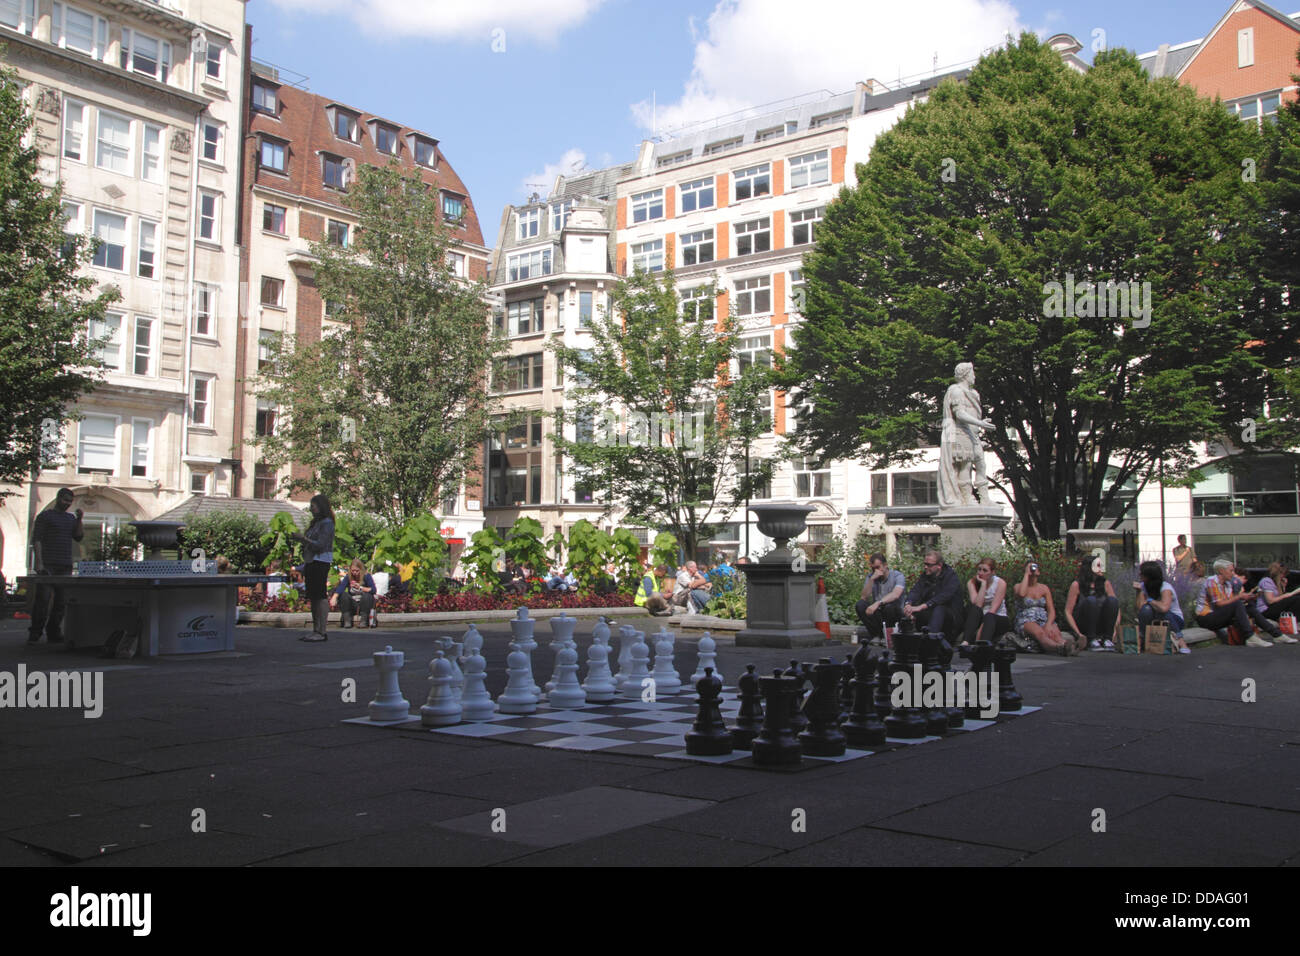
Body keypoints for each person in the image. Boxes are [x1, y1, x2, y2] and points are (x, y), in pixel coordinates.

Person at [27, 487, 84, 645]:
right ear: (58, 498)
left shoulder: (70, 518)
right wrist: (39, 562)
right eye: (65, 500)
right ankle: (35, 632)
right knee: (42, 600)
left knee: (61, 601)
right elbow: (37, 539)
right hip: (48, 563)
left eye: (70, 501)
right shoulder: (45, 516)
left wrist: (79, 519)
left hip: (65, 564)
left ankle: (53, 631)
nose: (67, 503)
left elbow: (78, 537)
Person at [1195, 558, 1275, 647]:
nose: (1233, 573)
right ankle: (1250, 636)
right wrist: (1239, 597)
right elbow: (1219, 604)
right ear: (1221, 571)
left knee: (1249, 608)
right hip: (1206, 617)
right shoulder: (1212, 581)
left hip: (1219, 614)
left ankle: (1276, 634)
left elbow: (1230, 602)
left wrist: (1247, 598)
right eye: (1231, 571)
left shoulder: (1228, 584)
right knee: (1238, 603)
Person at [290, 494, 335, 642]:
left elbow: (321, 544)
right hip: (311, 560)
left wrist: (303, 539)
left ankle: (321, 630)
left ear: (320, 506)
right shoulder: (316, 523)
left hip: (320, 560)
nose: (311, 509)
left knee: (320, 595)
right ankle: (316, 629)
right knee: (313, 596)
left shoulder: (327, 523)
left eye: (313, 506)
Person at [902, 550, 964, 643]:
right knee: (906, 610)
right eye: (924, 564)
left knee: (939, 608)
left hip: (951, 617)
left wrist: (921, 606)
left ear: (939, 565)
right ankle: (906, 641)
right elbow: (915, 591)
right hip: (931, 613)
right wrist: (908, 604)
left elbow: (943, 597)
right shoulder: (926, 576)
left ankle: (930, 642)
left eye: (929, 565)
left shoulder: (951, 576)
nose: (925, 567)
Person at [1013, 559, 1073, 655]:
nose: (1033, 569)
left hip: (1043, 618)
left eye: (1035, 567)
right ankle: (1059, 648)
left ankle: (1067, 646)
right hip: (1026, 619)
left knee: (1055, 633)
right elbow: (1021, 594)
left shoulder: (1044, 588)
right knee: (1040, 633)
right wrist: (1026, 574)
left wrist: (1049, 624)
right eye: (1030, 567)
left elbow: (1051, 610)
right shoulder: (1018, 586)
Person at [1063, 555, 1119, 651]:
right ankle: (1091, 639)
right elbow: (1068, 612)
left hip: (1101, 622)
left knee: (1112, 601)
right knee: (1091, 600)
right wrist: (1078, 633)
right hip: (1084, 623)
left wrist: (1114, 630)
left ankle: (1107, 639)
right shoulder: (1076, 585)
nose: (1101, 567)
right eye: (1098, 565)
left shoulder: (1105, 583)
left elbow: (1117, 610)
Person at [1134, 560, 1189, 654]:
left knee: (1162, 612)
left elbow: (1164, 608)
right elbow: (1140, 608)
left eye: (1142, 573)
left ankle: (1181, 641)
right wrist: (1139, 592)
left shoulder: (1165, 587)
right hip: (1155, 618)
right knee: (1146, 610)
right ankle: (1142, 639)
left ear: (1149, 575)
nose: (1139, 574)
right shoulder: (1143, 586)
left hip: (1174, 620)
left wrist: (1150, 600)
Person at [962, 557, 1011, 645]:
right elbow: (978, 605)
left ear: (992, 572)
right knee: (974, 609)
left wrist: (980, 630)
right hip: (980, 616)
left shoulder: (1000, 583)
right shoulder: (971, 582)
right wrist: (983, 585)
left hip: (997, 617)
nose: (981, 573)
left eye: (985, 571)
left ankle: (983, 644)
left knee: (989, 616)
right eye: (979, 569)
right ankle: (966, 641)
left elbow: (993, 610)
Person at [856, 552, 905, 641]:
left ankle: (889, 637)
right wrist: (871, 580)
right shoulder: (871, 577)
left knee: (889, 607)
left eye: (878, 567)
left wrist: (878, 603)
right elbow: (864, 597)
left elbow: (896, 594)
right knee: (860, 605)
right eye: (873, 568)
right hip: (879, 611)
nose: (876, 571)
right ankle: (876, 635)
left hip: (894, 611)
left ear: (885, 565)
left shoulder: (897, 575)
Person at [1255, 561, 1300, 643]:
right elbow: (1270, 601)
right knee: (1296, 599)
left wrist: (1283, 587)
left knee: (1295, 600)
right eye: (1283, 574)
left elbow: (1280, 599)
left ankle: (1293, 622)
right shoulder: (1266, 581)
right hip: (1265, 610)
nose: (1284, 577)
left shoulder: (1277, 583)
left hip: (1273, 607)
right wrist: (1288, 595)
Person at [331, 558, 377, 628]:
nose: (355, 573)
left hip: (364, 603)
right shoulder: (348, 577)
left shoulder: (367, 576)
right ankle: (347, 620)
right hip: (352, 603)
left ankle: (364, 620)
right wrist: (334, 597)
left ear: (361, 570)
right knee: (343, 595)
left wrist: (360, 587)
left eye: (357, 571)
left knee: (367, 596)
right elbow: (341, 587)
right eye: (353, 571)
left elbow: (373, 590)